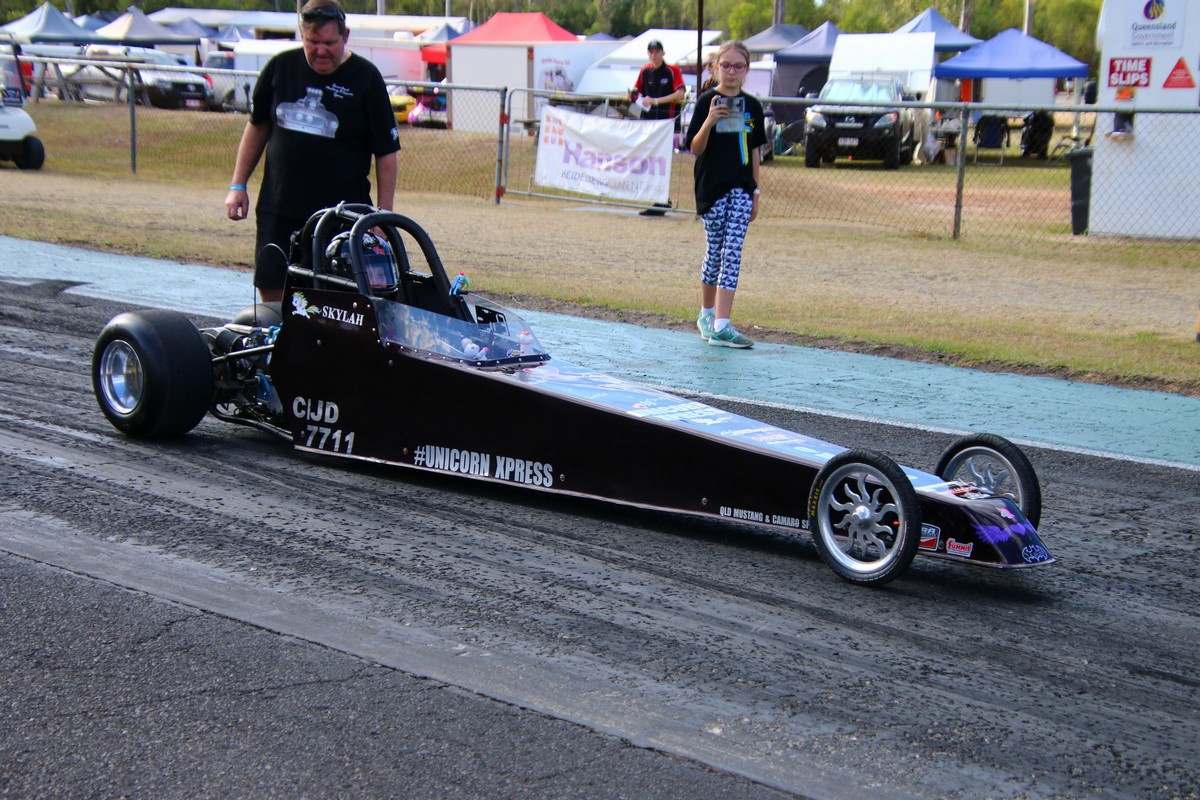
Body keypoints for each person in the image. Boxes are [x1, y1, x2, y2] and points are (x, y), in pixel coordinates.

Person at [224, 0, 400, 303]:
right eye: (313, 42)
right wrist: (237, 185)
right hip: (280, 209)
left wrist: (382, 217)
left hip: (341, 218)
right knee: (275, 294)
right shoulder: (281, 67)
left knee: (338, 301)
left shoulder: (366, 78)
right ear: (301, 36)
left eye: (329, 43)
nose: (321, 51)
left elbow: (386, 153)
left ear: (345, 37)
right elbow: (257, 127)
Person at [683, 40, 765, 349]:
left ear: (746, 70)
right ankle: (706, 313)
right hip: (712, 187)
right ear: (716, 67)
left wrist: (755, 191)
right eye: (726, 65)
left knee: (732, 251)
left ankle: (722, 323)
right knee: (715, 250)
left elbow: (755, 151)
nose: (732, 72)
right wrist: (709, 121)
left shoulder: (753, 106)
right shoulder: (707, 101)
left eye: (738, 66)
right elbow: (695, 147)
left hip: (741, 188)